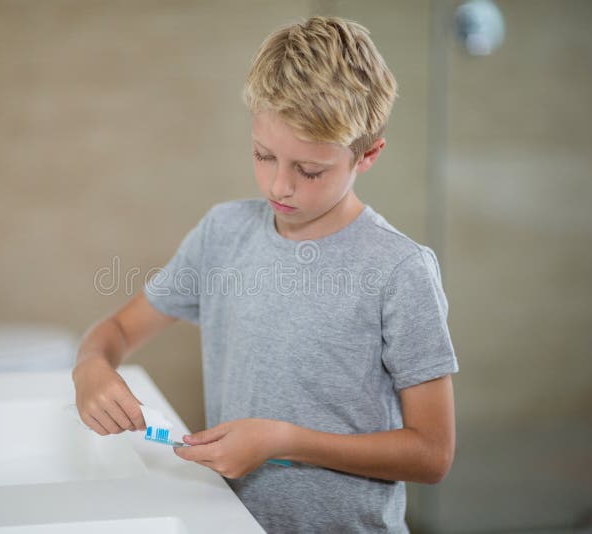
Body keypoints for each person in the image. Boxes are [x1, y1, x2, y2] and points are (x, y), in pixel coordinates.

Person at [72, 15, 458, 533]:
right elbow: (117, 331)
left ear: (367, 155)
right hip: (231, 522)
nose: (279, 185)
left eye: (310, 170)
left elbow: (431, 454)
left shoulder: (398, 270)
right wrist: (90, 367)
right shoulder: (224, 233)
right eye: (263, 154)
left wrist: (286, 442)